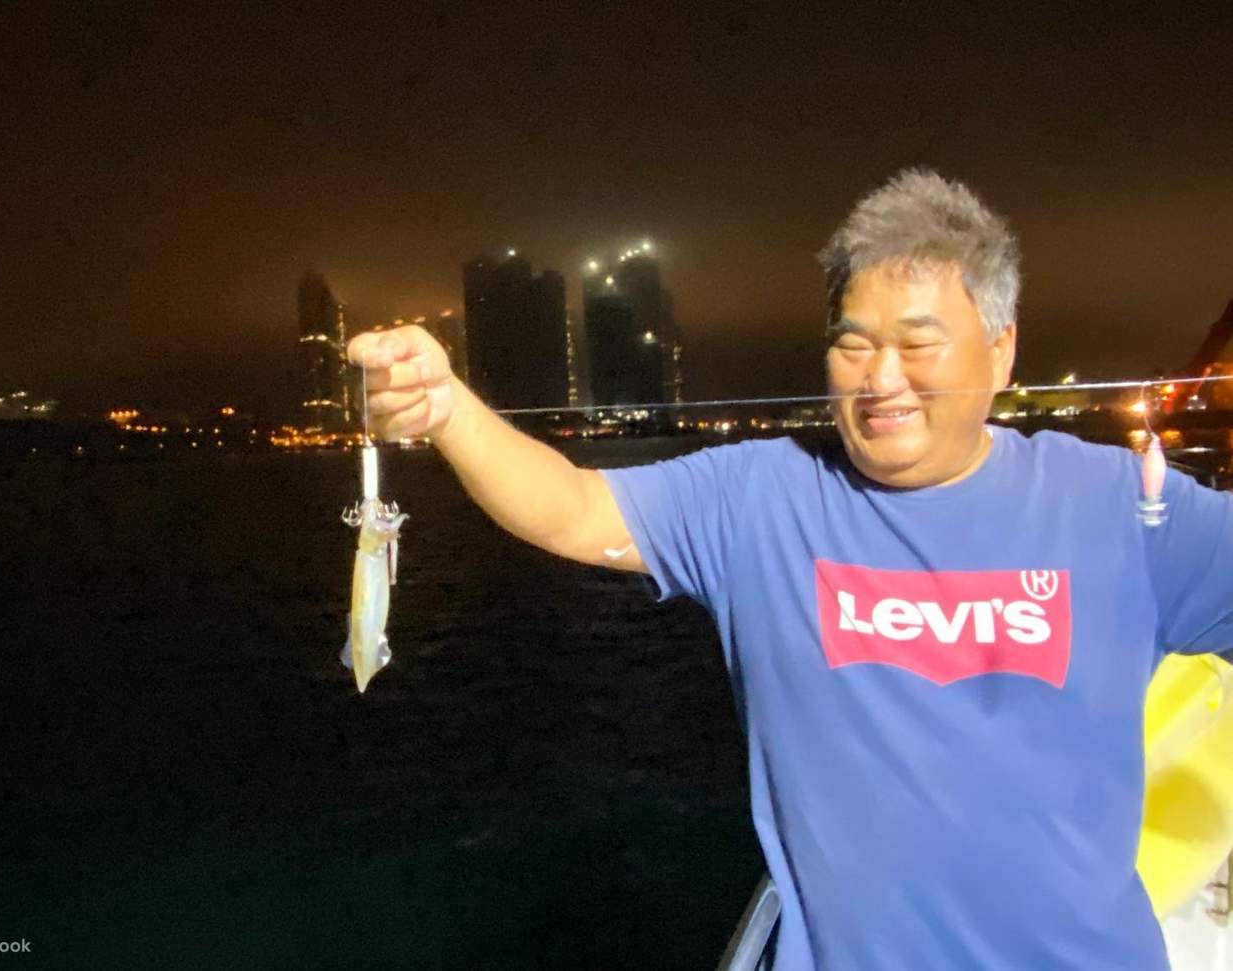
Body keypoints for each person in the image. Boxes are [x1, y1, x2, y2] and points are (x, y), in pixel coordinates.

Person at [347, 169, 1233, 970]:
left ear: (999, 350)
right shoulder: (764, 494)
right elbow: (573, 507)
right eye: (853, 343)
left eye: (919, 342)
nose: (880, 377)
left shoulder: (1122, 503)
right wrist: (447, 410)